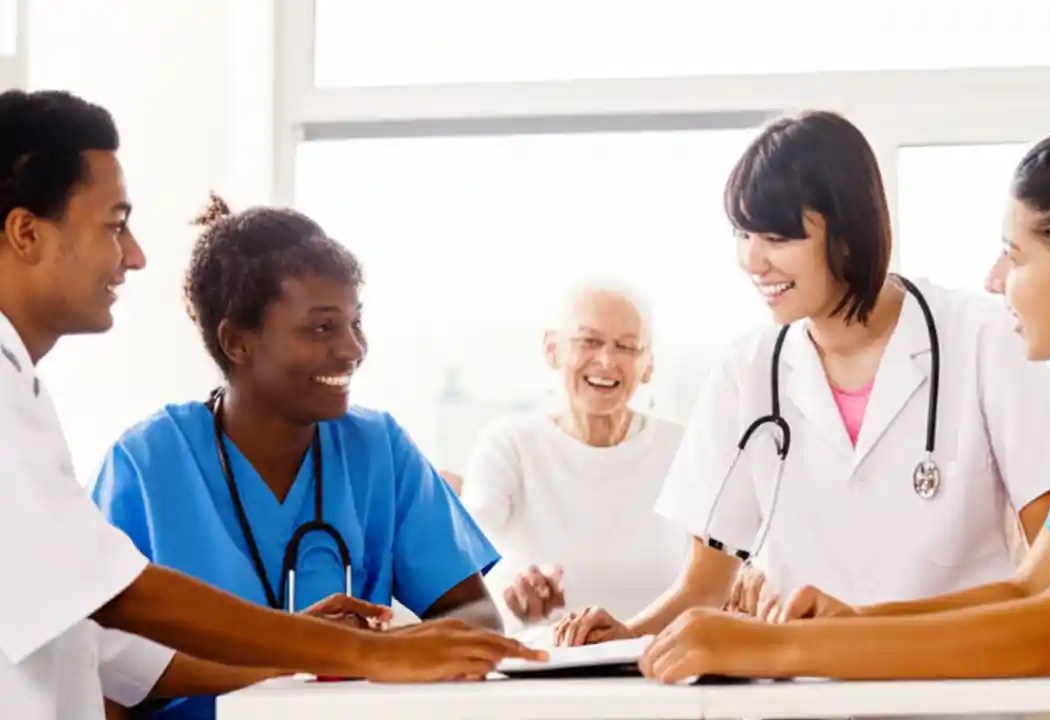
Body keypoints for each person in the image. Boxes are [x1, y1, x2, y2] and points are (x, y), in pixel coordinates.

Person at [637, 118, 1050, 718]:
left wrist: (767, 649)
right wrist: (853, 624)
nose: (995, 279)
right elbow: (1030, 591)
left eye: (1015, 255)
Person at [0, 89, 539, 720]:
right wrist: (360, 653)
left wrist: (319, 655)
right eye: (115, 224)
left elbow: (118, 655)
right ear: (26, 232)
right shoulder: (138, 454)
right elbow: (122, 599)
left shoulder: (21, 388)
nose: (136, 255)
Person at [555, 110, 1050, 647]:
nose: (753, 261)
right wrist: (623, 637)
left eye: (777, 237)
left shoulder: (982, 338)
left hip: (958, 687)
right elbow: (703, 586)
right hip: (810, 690)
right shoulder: (748, 370)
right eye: (743, 233)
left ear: (848, 232)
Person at [91, 195, 511, 718]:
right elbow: (104, 675)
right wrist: (312, 647)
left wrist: (381, 643)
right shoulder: (147, 465)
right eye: (322, 328)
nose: (353, 348)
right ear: (238, 342)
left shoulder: (379, 449)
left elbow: (475, 618)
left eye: (355, 323)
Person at [460, 282, 685, 634]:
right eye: (589, 342)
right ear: (552, 350)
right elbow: (466, 559)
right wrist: (511, 596)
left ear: (648, 365)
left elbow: (721, 571)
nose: (607, 361)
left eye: (626, 346)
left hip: (658, 667)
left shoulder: (682, 447)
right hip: (544, 667)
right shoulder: (510, 442)